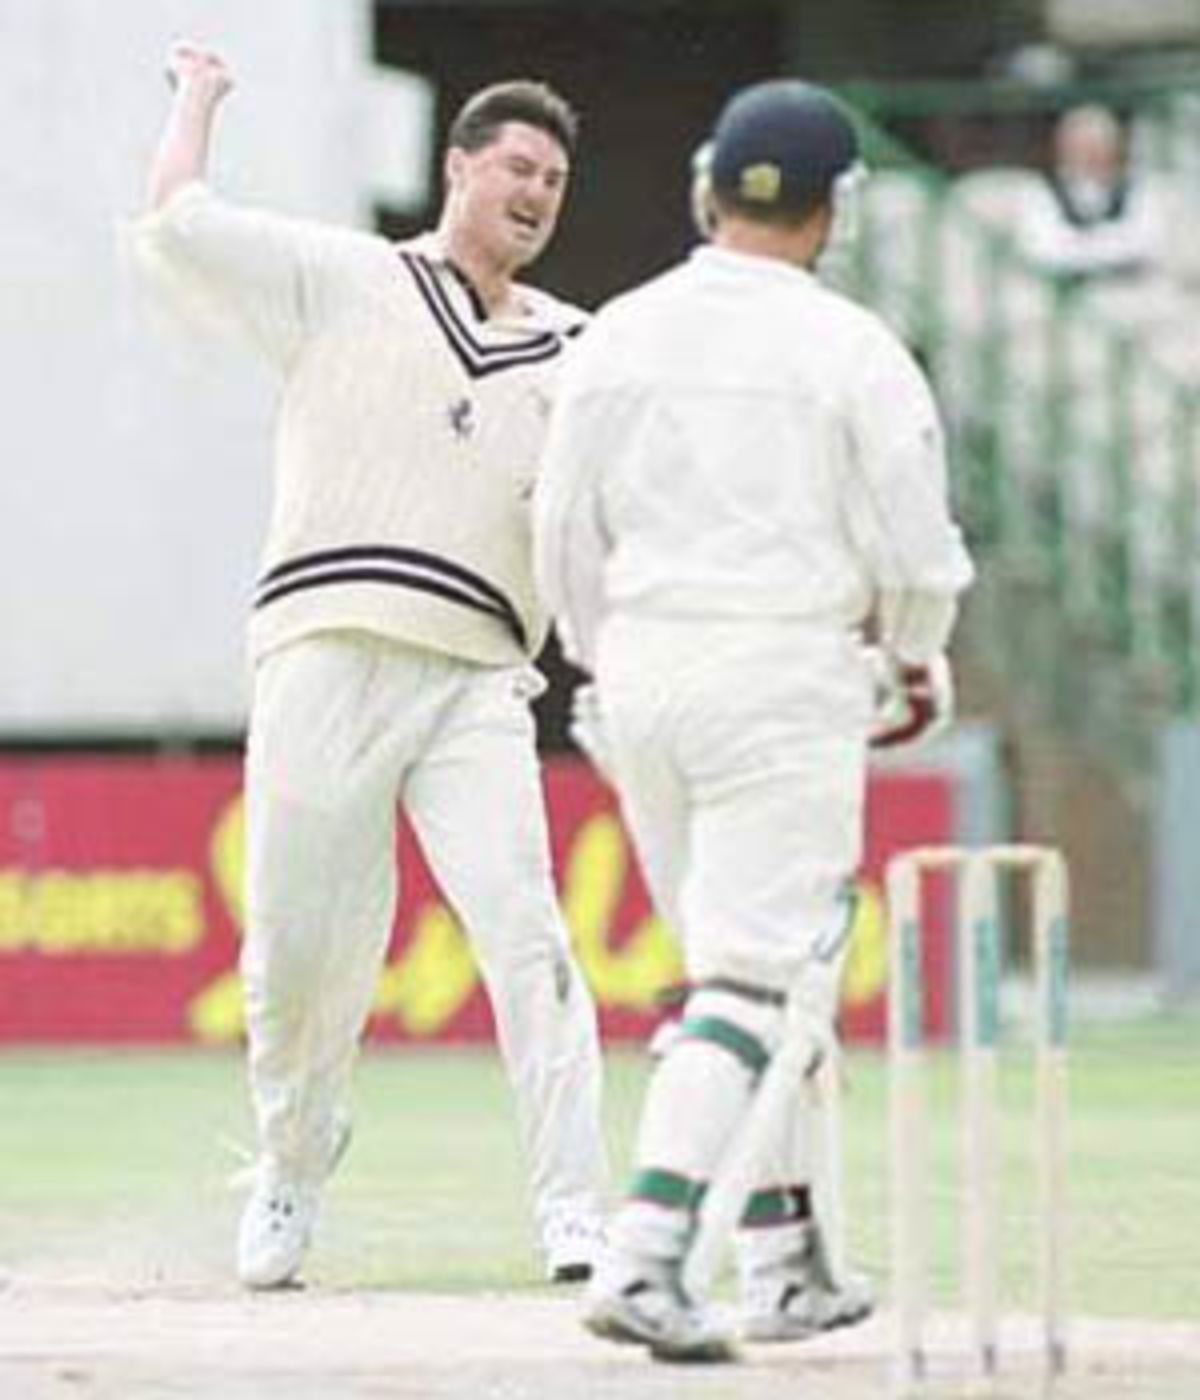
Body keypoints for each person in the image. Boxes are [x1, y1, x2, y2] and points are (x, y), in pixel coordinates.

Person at [133, 43, 608, 1290]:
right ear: (458, 167)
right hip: (325, 649)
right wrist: (201, 96)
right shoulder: (347, 278)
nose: (538, 192)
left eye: (556, 178)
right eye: (517, 165)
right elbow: (180, 222)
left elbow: (619, 516)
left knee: (527, 932)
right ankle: (292, 1159)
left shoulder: (580, 349)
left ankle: (576, 1210)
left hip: (476, 681)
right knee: (301, 949)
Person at [535, 78, 974, 1361]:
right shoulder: (853, 350)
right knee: (757, 971)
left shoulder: (617, 332)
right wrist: (911, 660)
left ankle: (787, 1257)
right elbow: (919, 555)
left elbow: (563, 527)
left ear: (703, 187)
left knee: (734, 973)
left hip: (646, 679)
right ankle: (649, 1251)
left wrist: (601, 662)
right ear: (835, 209)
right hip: (781, 676)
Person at [1016, 103, 1166, 284]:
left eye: (1099, 146)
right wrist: (1109, 243)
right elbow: (1043, 251)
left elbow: (1147, 245)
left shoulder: (1140, 188)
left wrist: (1081, 244)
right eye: (1081, 146)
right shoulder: (1039, 190)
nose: (1090, 155)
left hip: (1128, 292)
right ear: (1063, 148)